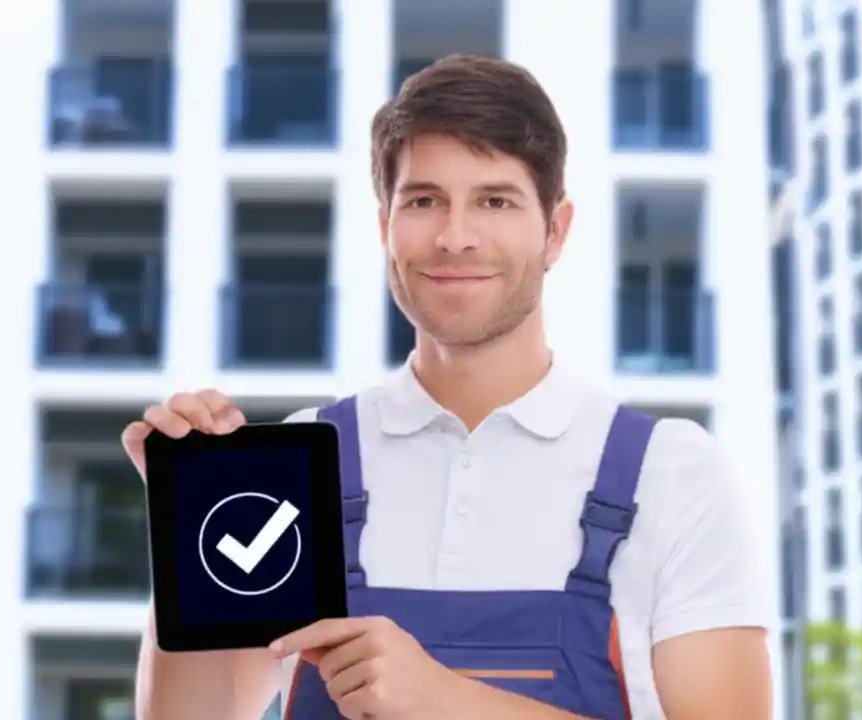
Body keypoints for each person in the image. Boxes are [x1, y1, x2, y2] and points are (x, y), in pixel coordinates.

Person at [125, 54, 773, 719]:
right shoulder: (300, 460)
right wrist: (189, 529)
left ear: (555, 231)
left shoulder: (671, 475)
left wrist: (443, 699)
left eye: (495, 200)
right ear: (385, 229)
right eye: (423, 200)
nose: (455, 237)